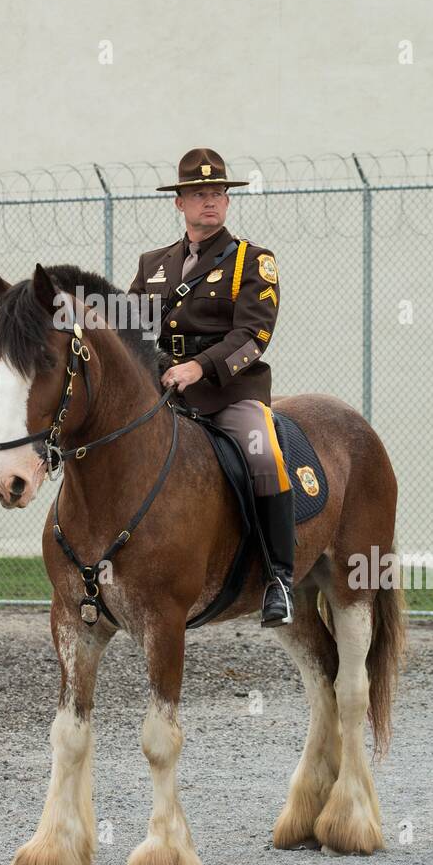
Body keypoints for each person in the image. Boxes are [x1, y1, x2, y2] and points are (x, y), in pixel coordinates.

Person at [127, 147, 295, 626]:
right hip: (164, 393)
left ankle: (279, 580)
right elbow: (129, 327)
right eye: (199, 194)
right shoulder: (153, 264)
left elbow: (254, 336)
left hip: (229, 394)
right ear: (179, 202)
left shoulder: (254, 261)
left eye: (217, 193)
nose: (210, 201)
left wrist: (199, 367)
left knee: (264, 454)